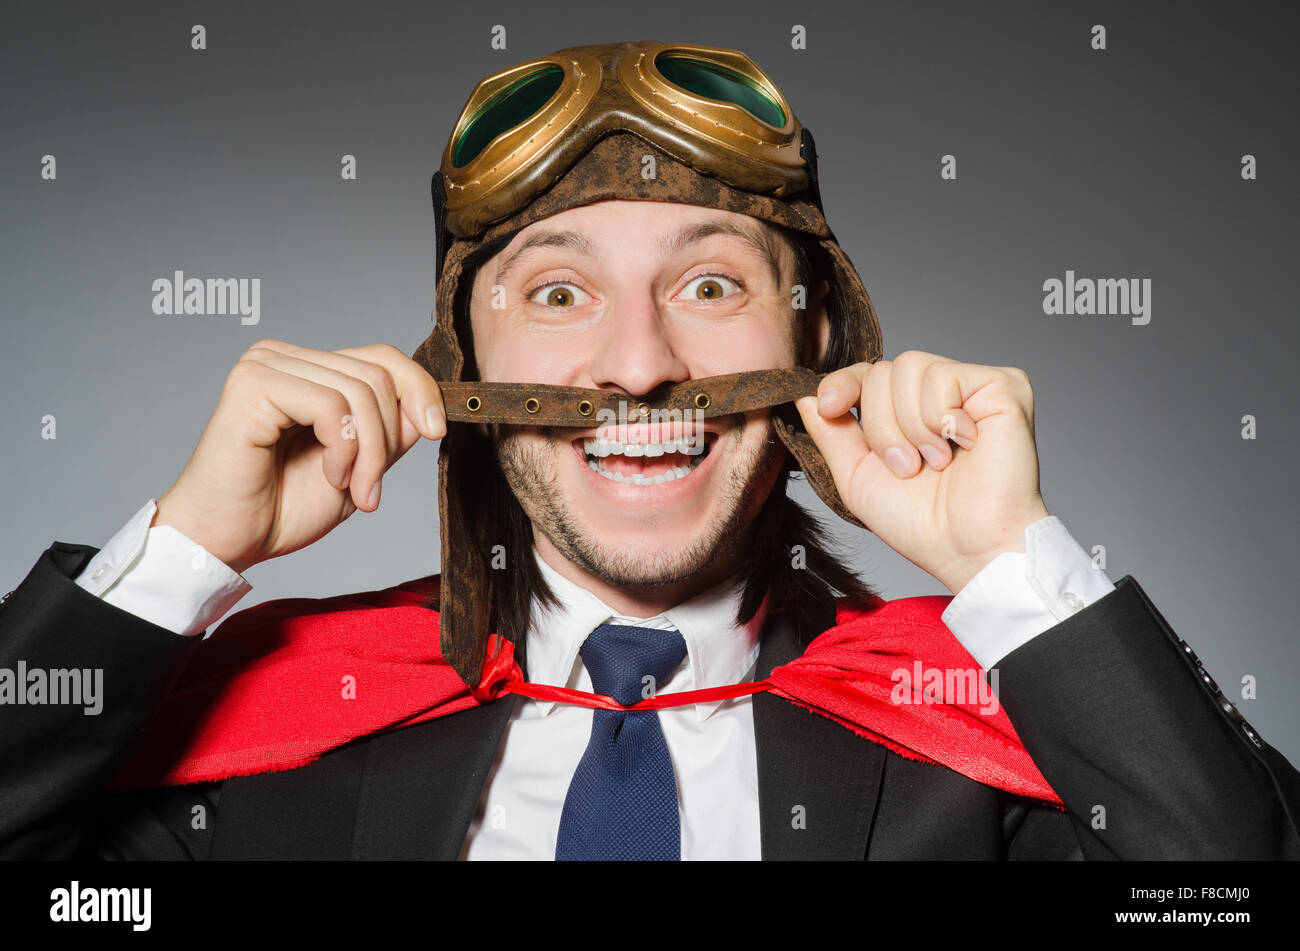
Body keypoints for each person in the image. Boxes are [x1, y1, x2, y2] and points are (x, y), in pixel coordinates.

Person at [1, 41, 1297, 861]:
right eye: (558, 293)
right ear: (461, 363)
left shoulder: (971, 757)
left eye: (711, 286)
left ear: (817, 340)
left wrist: (1010, 559)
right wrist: (183, 549)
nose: (636, 365)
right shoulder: (286, 744)